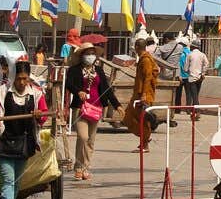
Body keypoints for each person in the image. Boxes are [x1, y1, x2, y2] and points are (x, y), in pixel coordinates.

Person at [0, 57, 48, 199]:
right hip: (4, 141)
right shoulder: (2, 91)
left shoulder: (36, 93)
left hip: (25, 142)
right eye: (19, 78)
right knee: (8, 179)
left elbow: (44, 115)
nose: (21, 82)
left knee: (16, 181)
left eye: (24, 79)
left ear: (28, 78)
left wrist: (39, 115)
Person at [66, 45, 118, 182]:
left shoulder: (99, 70)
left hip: (96, 108)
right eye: (88, 53)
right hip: (80, 108)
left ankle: (85, 168)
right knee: (83, 137)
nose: (91, 56)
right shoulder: (74, 70)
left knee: (91, 140)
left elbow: (106, 89)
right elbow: (69, 84)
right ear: (82, 55)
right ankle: (78, 167)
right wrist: (78, 91)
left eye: (93, 53)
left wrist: (117, 105)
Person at [122, 37, 160, 151]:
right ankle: (145, 139)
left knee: (142, 119)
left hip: (144, 94)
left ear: (137, 47)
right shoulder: (142, 59)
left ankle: (145, 143)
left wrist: (144, 94)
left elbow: (148, 77)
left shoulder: (146, 60)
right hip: (138, 93)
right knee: (129, 117)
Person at [184, 36, 208, 109]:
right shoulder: (202, 55)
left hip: (191, 78)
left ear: (192, 47)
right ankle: (194, 109)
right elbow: (206, 64)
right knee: (196, 94)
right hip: (200, 77)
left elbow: (185, 68)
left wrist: (189, 71)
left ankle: (196, 110)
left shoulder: (189, 55)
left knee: (194, 96)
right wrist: (203, 73)